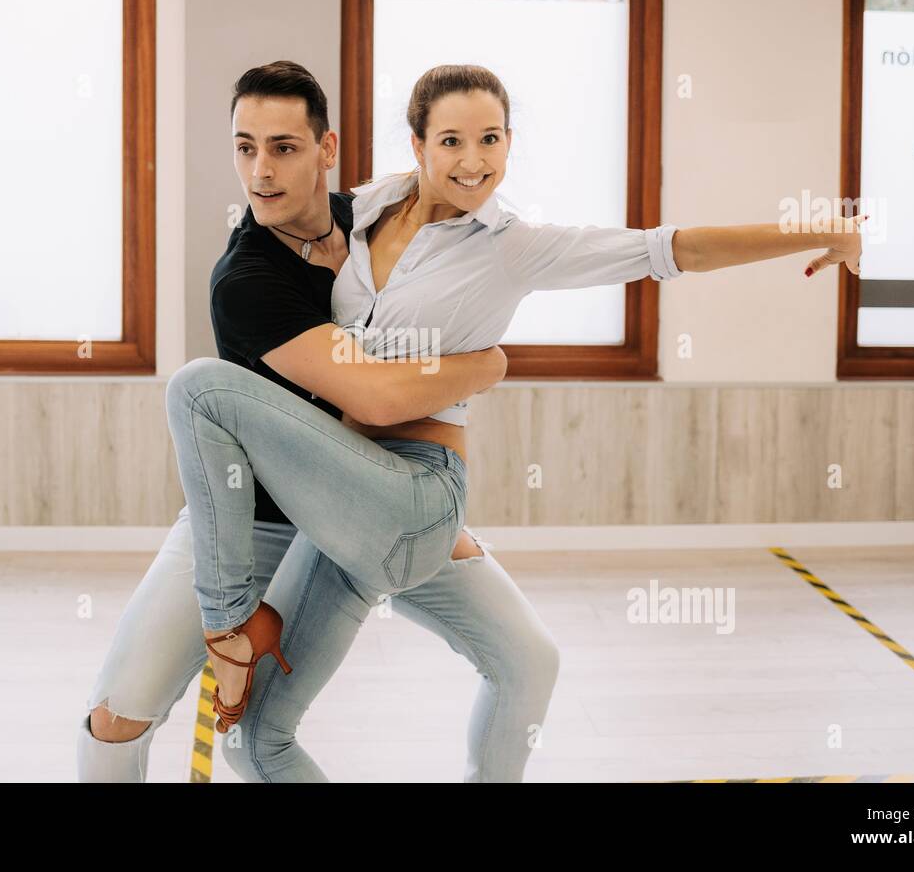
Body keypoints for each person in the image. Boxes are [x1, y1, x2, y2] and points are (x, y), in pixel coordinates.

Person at [166, 62, 866, 778]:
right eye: (451, 141)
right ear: (417, 145)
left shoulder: (513, 247)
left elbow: (669, 248)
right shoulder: (371, 209)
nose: (473, 162)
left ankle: (227, 625)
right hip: (350, 503)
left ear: (509, 145)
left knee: (199, 390)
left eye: (491, 140)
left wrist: (811, 229)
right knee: (259, 737)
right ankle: (239, 622)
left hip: (414, 492)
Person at [78, 61, 560, 782]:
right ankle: (225, 632)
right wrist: (489, 366)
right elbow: (374, 395)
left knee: (530, 661)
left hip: (367, 497)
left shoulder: (370, 219)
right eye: (245, 148)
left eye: (283, 147)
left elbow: (468, 200)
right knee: (118, 714)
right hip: (259, 518)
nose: (260, 171)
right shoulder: (246, 281)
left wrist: (782, 238)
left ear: (326, 149)